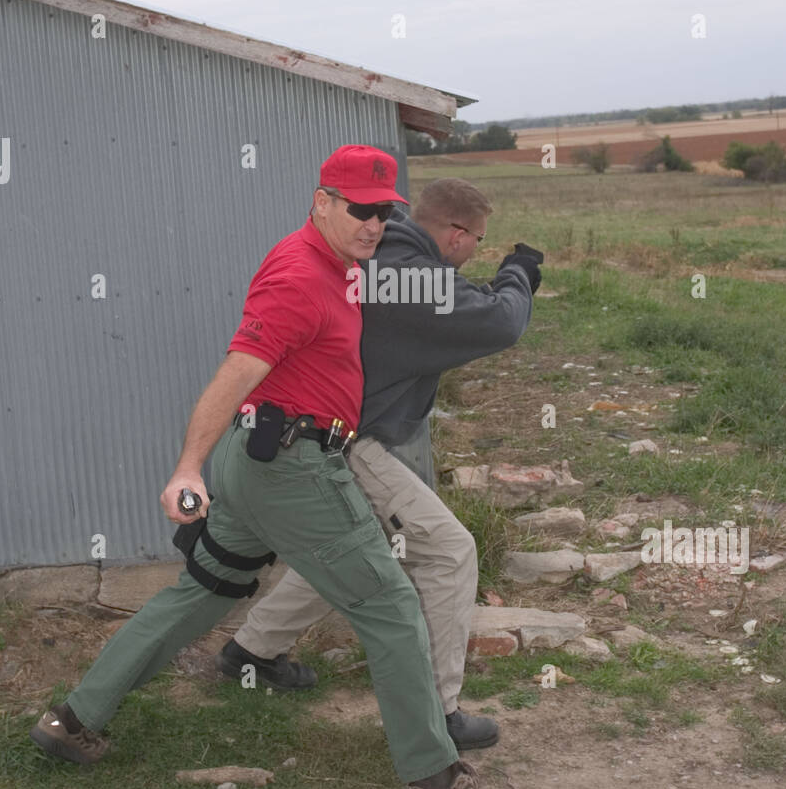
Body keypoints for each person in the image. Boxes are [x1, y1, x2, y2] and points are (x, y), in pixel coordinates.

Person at [30, 146, 476, 789]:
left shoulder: (339, 264)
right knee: (390, 609)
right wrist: (186, 468)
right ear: (321, 201)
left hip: (261, 458)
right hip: (293, 469)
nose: (373, 225)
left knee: (203, 593)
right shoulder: (299, 275)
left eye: (383, 212)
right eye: (359, 210)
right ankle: (433, 774)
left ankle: (73, 718)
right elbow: (235, 372)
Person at [217, 178, 542, 749]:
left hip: (316, 433)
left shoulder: (385, 258)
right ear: (456, 233)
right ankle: (438, 712)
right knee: (448, 549)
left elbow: (448, 303)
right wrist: (519, 275)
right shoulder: (411, 277)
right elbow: (500, 323)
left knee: (352, 544)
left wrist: (493, 285)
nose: (476, 253)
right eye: (479, 242)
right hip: (346, 438)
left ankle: (252, 652)